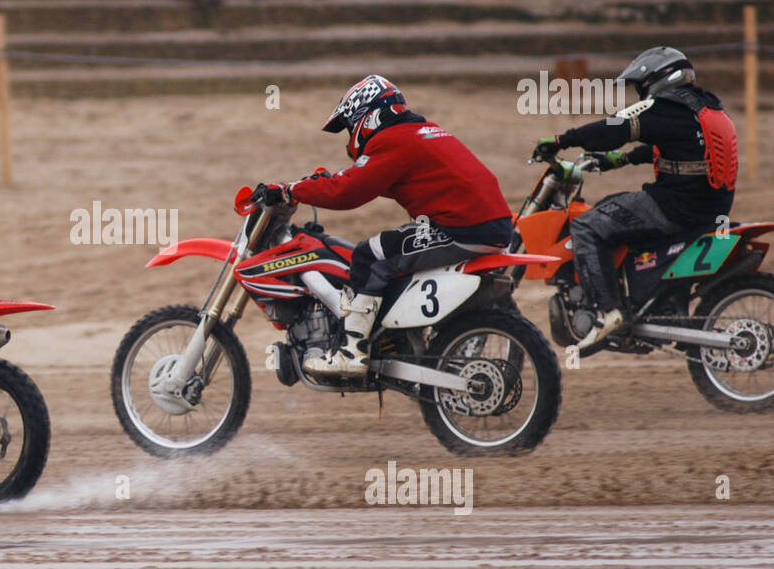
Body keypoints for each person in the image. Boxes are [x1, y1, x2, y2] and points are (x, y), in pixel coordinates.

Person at [258, 75, 513, 377]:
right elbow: (376, 180)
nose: (351, 135)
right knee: (393, 254)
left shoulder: (393, 140)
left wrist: (290, 190)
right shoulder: (421, 131)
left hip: (462, 228)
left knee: (369, 255)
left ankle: (351, 353)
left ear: (366, 115)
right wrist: (326, 181)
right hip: (490, 225)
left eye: (350, 126)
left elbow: (348, 194)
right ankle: (396, 336)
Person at [533, 46, 738, 349]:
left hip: (678, 206)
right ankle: (653, 303)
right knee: (610, 206)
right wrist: (622, 160)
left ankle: (606, 312)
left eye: (641, 86)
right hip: (709, 207)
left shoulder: (663, 107)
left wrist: (565, 139)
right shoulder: (705, 106)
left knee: (587, 226)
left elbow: (615, 126)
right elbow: (677, 146)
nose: (641, 93)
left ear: (659, 79)